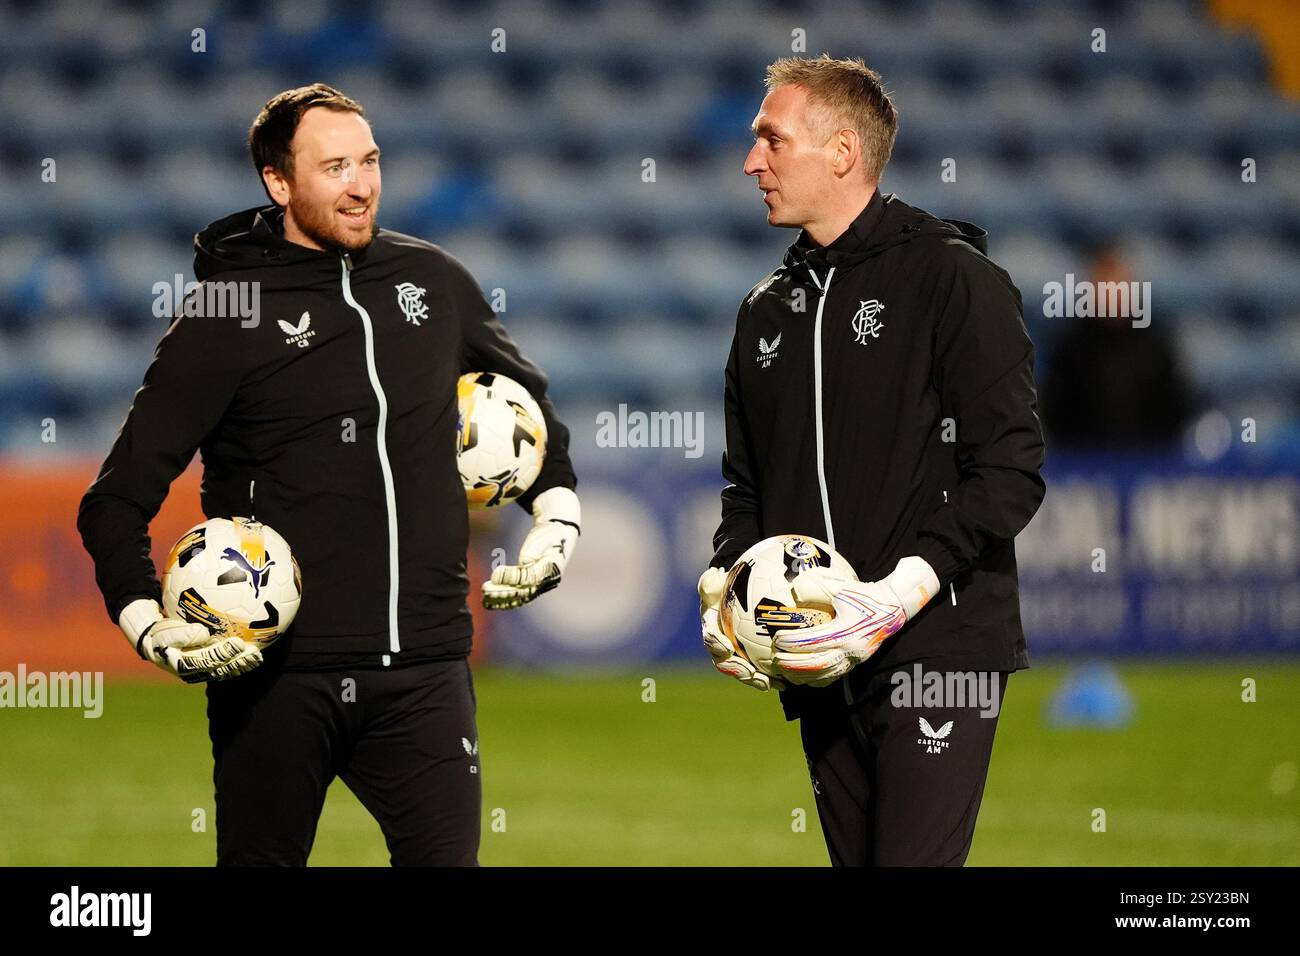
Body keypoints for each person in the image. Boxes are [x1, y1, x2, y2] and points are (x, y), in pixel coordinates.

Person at [76, 83, 580, 866]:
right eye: (334, 166)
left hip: (426, 669)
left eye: (370, 161)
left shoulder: (434, 282)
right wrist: (148, 625)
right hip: (277, 678)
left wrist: (556, 516)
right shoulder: (224, 315)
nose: (361, 184)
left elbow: (530, 410)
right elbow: (115, 500)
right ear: (279, 184)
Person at [699, 56, 1046, 866]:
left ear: (843, 152)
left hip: (939, 647)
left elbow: (1011, 466)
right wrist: (729, 587)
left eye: (772, 141)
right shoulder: (763, 313)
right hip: (820, 655)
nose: (752, 162)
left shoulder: (953, 278)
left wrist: (901, 591)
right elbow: (746, 484)